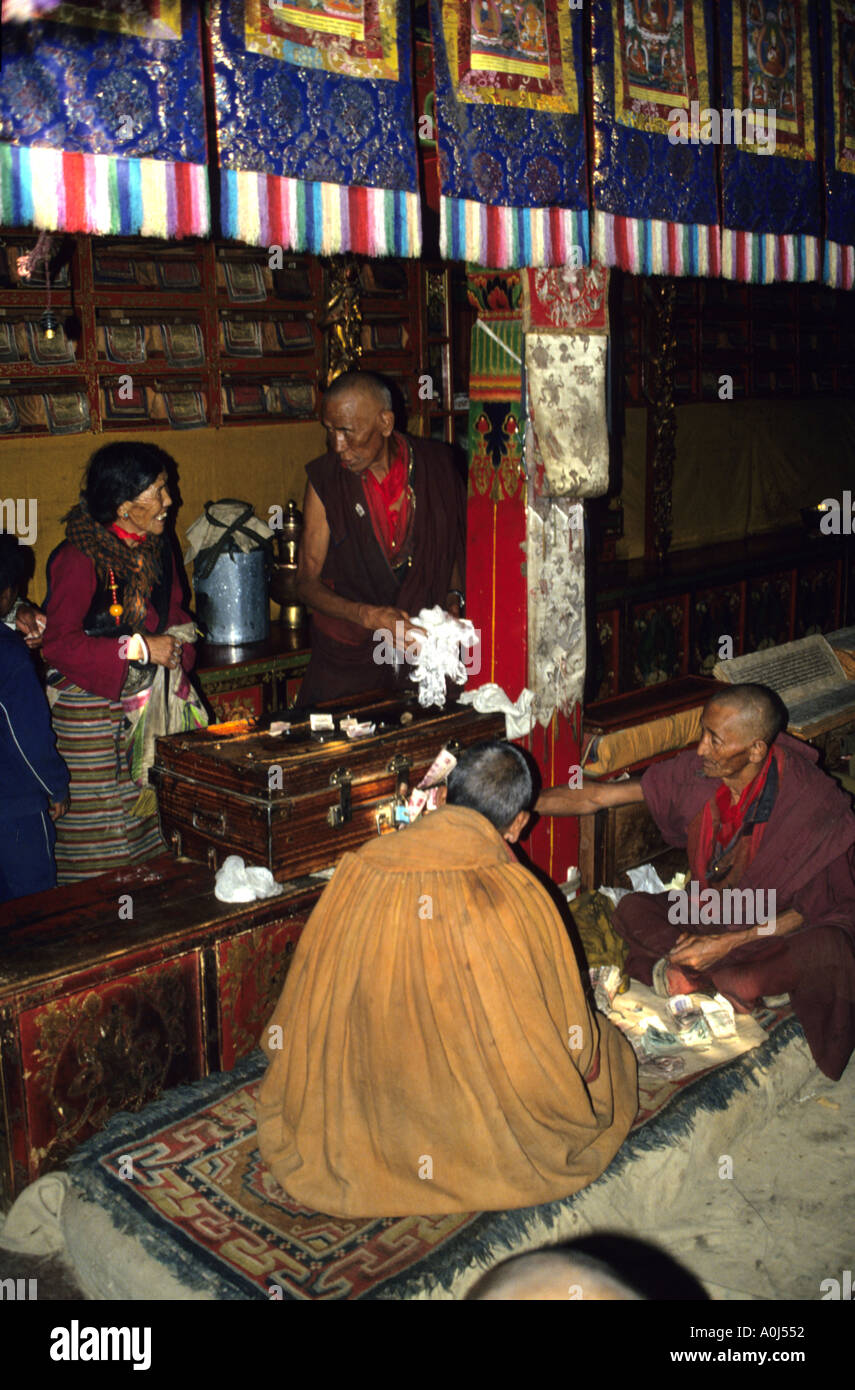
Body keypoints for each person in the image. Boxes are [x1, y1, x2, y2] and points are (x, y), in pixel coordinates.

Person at [256, 739, 637, 1217]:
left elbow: (302, 998)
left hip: (360, 1091)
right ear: (518, 825)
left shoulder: (360, 866)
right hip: (469, 1112)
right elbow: (568, 1036)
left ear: (445, 795)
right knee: (609, 1056)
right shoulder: (518, 893)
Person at [537, 684, 855, 1080]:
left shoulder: (810, 802)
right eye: (703, 732)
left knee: (828, 948)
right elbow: (598, 796)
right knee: (632, 909)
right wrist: (518, 801)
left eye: (715, 740)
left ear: (756, 749)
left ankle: (708, 975)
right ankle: (709, 977)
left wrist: (725, 942)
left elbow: (808, 911)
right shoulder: (699, 776)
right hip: (714, 912)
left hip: (775, 925)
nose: (701, 748)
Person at [41, 441, 205, 884]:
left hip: (147, 709)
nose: (169, 501)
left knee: (149, 834)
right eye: (157, 491)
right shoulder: (79, 557)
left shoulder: (159, 548)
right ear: (123, 505)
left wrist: (177, 652)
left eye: (165, 488)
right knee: (105, 847)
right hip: (91, 723)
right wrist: (141, 650)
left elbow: (175, 614)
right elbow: (59, 644)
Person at [295, 370, 466, 706]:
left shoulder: (439, 466)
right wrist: (370, 616)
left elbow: (451, 550)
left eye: (347, 432)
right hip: (351, 663)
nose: (337, 446)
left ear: (385, 424)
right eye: (330, 432)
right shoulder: (326, 480)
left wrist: (453, 600)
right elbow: (305, 583)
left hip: (423, 655)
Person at [0, 533, 69, 902]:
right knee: (33, 917)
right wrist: (55, 785)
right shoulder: (10, 657)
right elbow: (28, 738)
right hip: (15, 812)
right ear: (9, 593)